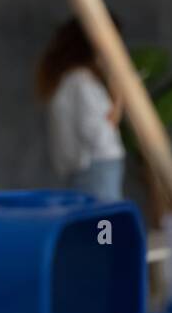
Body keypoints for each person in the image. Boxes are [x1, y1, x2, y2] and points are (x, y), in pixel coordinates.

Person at [35, 16, 125, 202]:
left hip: (85, 169)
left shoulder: (68, 80)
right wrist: (117, 103)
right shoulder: (81, 82)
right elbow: (98, 135)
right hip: (96, 168)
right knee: (102, 224)